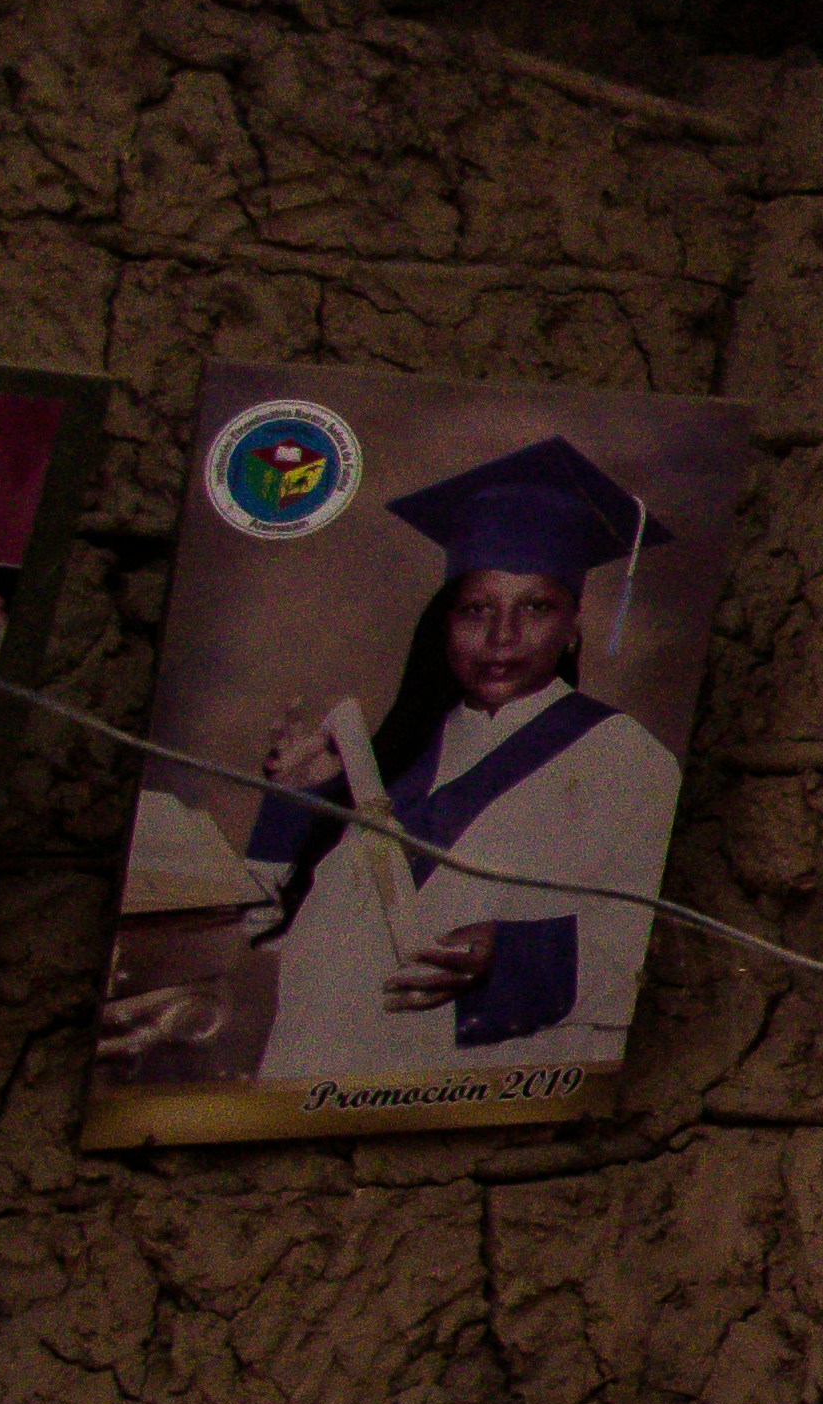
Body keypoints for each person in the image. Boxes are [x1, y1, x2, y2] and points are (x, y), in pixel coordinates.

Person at [239, 435, 684, 1084]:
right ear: (444, 621)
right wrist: (293, 805)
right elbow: (264, 928)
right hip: (300, 1099)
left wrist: (514, 958)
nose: (501, 638)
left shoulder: (625, 764)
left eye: (535, 607)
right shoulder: (395, 754)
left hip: (459, 1106)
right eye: (476, 610)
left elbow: (654, 959)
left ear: (574, 624)